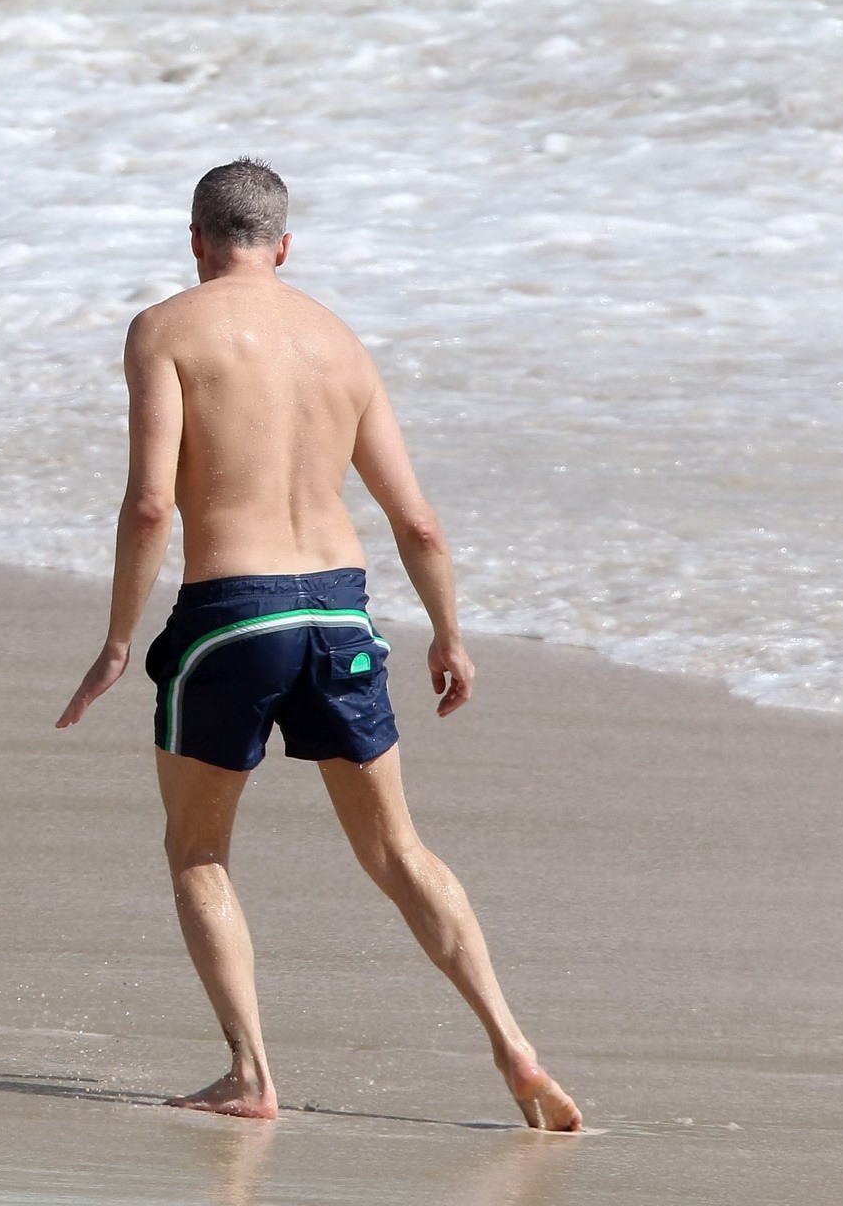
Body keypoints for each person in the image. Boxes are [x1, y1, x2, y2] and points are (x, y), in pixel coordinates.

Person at [55, 158, 579, 1129]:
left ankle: (251, 1072)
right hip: (342, 616)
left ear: (197, 241)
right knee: (396, 849)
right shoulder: (341, 344)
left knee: (199, 850)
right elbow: (416, 520)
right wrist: (449, 634)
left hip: (232, 617)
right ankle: (511, 1040)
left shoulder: (166, 328)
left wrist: (119, 639)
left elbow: (150, 502)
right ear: (283, 245)